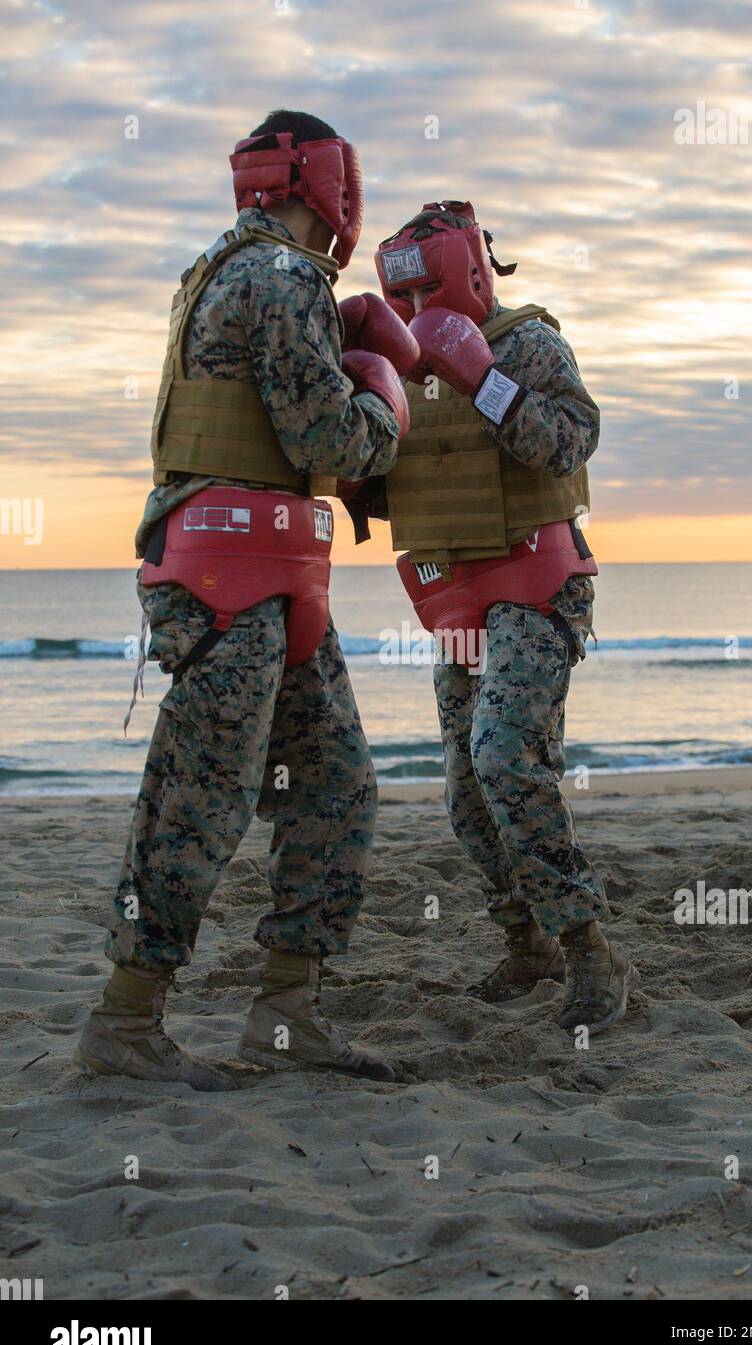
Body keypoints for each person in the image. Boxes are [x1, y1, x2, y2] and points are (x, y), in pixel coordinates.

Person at [76, 111, 418, 1090]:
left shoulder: (224, 269)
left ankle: (288, 1015)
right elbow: (328, 445)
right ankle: (125, 1020)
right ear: (324, 186)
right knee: (198, 798)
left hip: (270, 574)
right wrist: (383, 397)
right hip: (232, 580)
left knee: (336, 781)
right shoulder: (277, 279)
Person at [347, 200, 637, 1035]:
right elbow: (379, 472)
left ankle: (592, 953)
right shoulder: (397, 361)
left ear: (469, 270)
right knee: (466, 790)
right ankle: (527, 944)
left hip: (536, 578)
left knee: (506, 756)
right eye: (400, 297)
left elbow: (570, 443)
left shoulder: (529, 343)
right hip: (451, 588)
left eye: (423, 292)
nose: (413, 312)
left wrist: (485, 380)